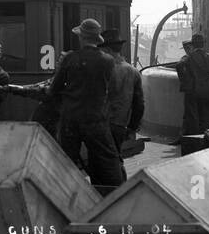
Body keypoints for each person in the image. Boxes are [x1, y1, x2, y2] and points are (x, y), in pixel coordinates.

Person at [49, 18, 125, 190]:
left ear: (81, 38)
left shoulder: (70, 59)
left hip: (71, 119)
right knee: (107, 160)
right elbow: (112, 90)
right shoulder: (107, 61)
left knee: (65, 162)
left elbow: (54, 89)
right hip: (96, 119)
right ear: (97, 39)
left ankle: (61, 195)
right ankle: (113, 194)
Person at [100, 29, 144, 157]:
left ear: (107, 49)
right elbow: (139, 105)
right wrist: (132, 127)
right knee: (117, 157)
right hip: (121, 125)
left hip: (102, 124)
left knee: (103, 161)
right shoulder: (133, 71)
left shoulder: (103, 69)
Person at [175, 33, 209, 135]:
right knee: (204, 115)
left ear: (193, 44)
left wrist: (185, 81)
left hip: (192, 91)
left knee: (192, 116)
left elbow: (179, 66)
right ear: (203, 44)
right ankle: (204, 135)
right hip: (205, 91)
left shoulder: (188, 58)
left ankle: (193, 137)